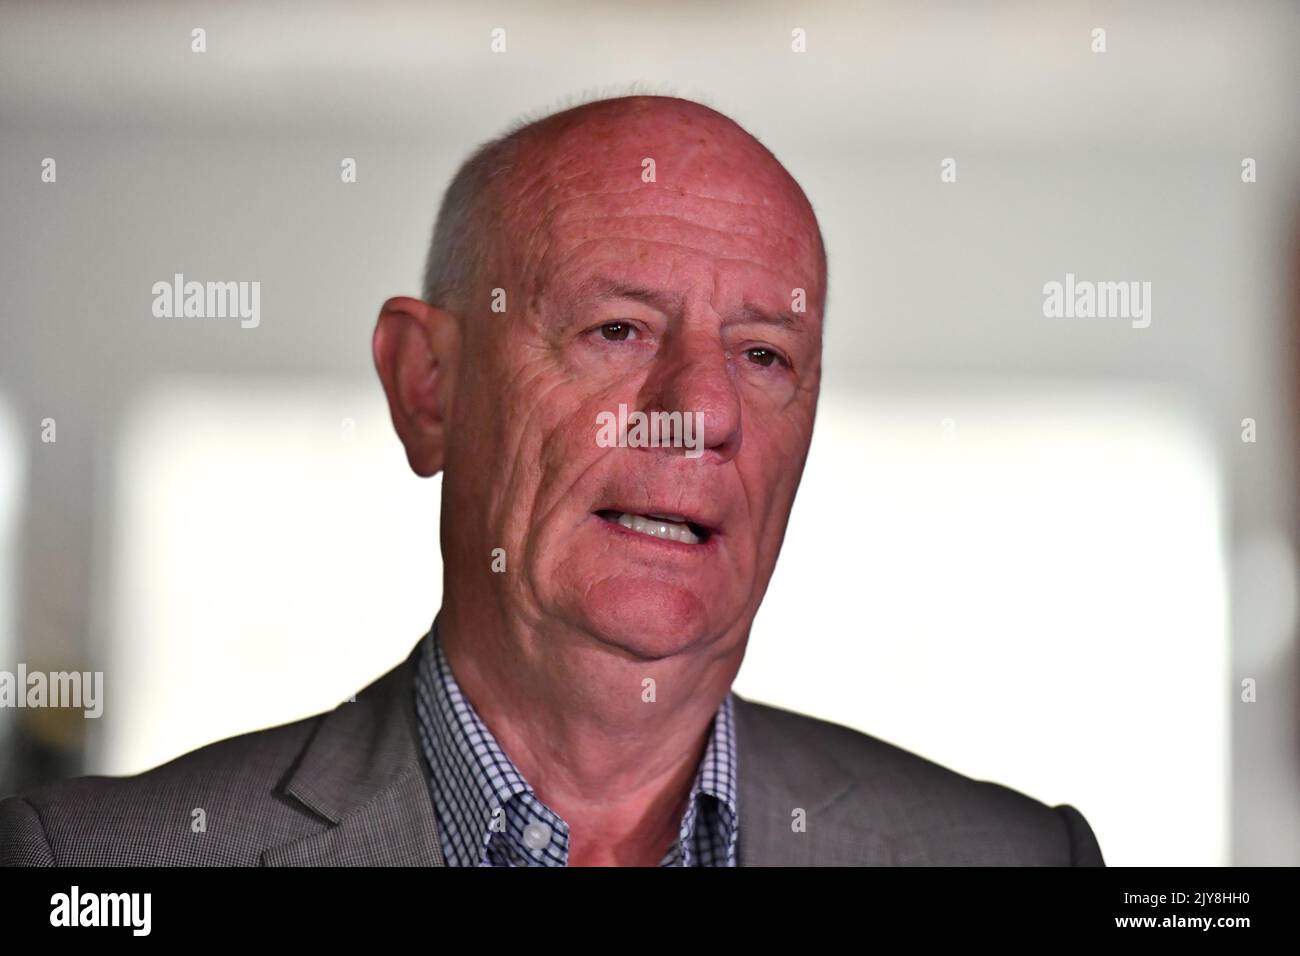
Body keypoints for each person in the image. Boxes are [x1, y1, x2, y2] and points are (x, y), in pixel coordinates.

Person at [0, 95, 1103, 866]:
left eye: (764, 354)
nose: (705, 410)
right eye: (617, 328)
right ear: (429, 385)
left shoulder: (1013, 859)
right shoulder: (90, 866)